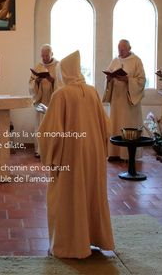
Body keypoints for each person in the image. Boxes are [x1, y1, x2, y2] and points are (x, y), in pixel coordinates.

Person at [38, 50, 114, 258]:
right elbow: (106, 125)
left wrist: (49, 156)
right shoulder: (91, 91)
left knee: (68, 196)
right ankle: (93, 238)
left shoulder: (61, 94)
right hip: (93, 152)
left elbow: (51, 132)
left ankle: (68, 245)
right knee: (90, 193)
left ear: (64, 72)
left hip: (70, 154)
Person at [103, 39, 145, 161]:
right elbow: (108, 76)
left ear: (129, 48)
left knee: (128, 125)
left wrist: (128, 80)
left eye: (122, 49)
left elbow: (142, 81)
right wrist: (109, 78)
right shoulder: (115, 60)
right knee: (116, 125)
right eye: (118, 49)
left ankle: (128, 155)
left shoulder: (136, 61)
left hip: (129, 101)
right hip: (116, 99)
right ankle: (114, 153)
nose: (120, 52)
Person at [29, 44, 58, 156]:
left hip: (52, 101)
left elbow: (61, 84)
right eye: (42, 56)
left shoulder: (58, 66)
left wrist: (52, 81)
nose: (44, 58)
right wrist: (36, 81)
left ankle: (51, 151)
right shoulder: (38, 66)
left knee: (52, 126)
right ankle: (39, 151)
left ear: (52, 54)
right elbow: (30, 83)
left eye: (46, 56)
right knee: (40, 126)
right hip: (40, 100)